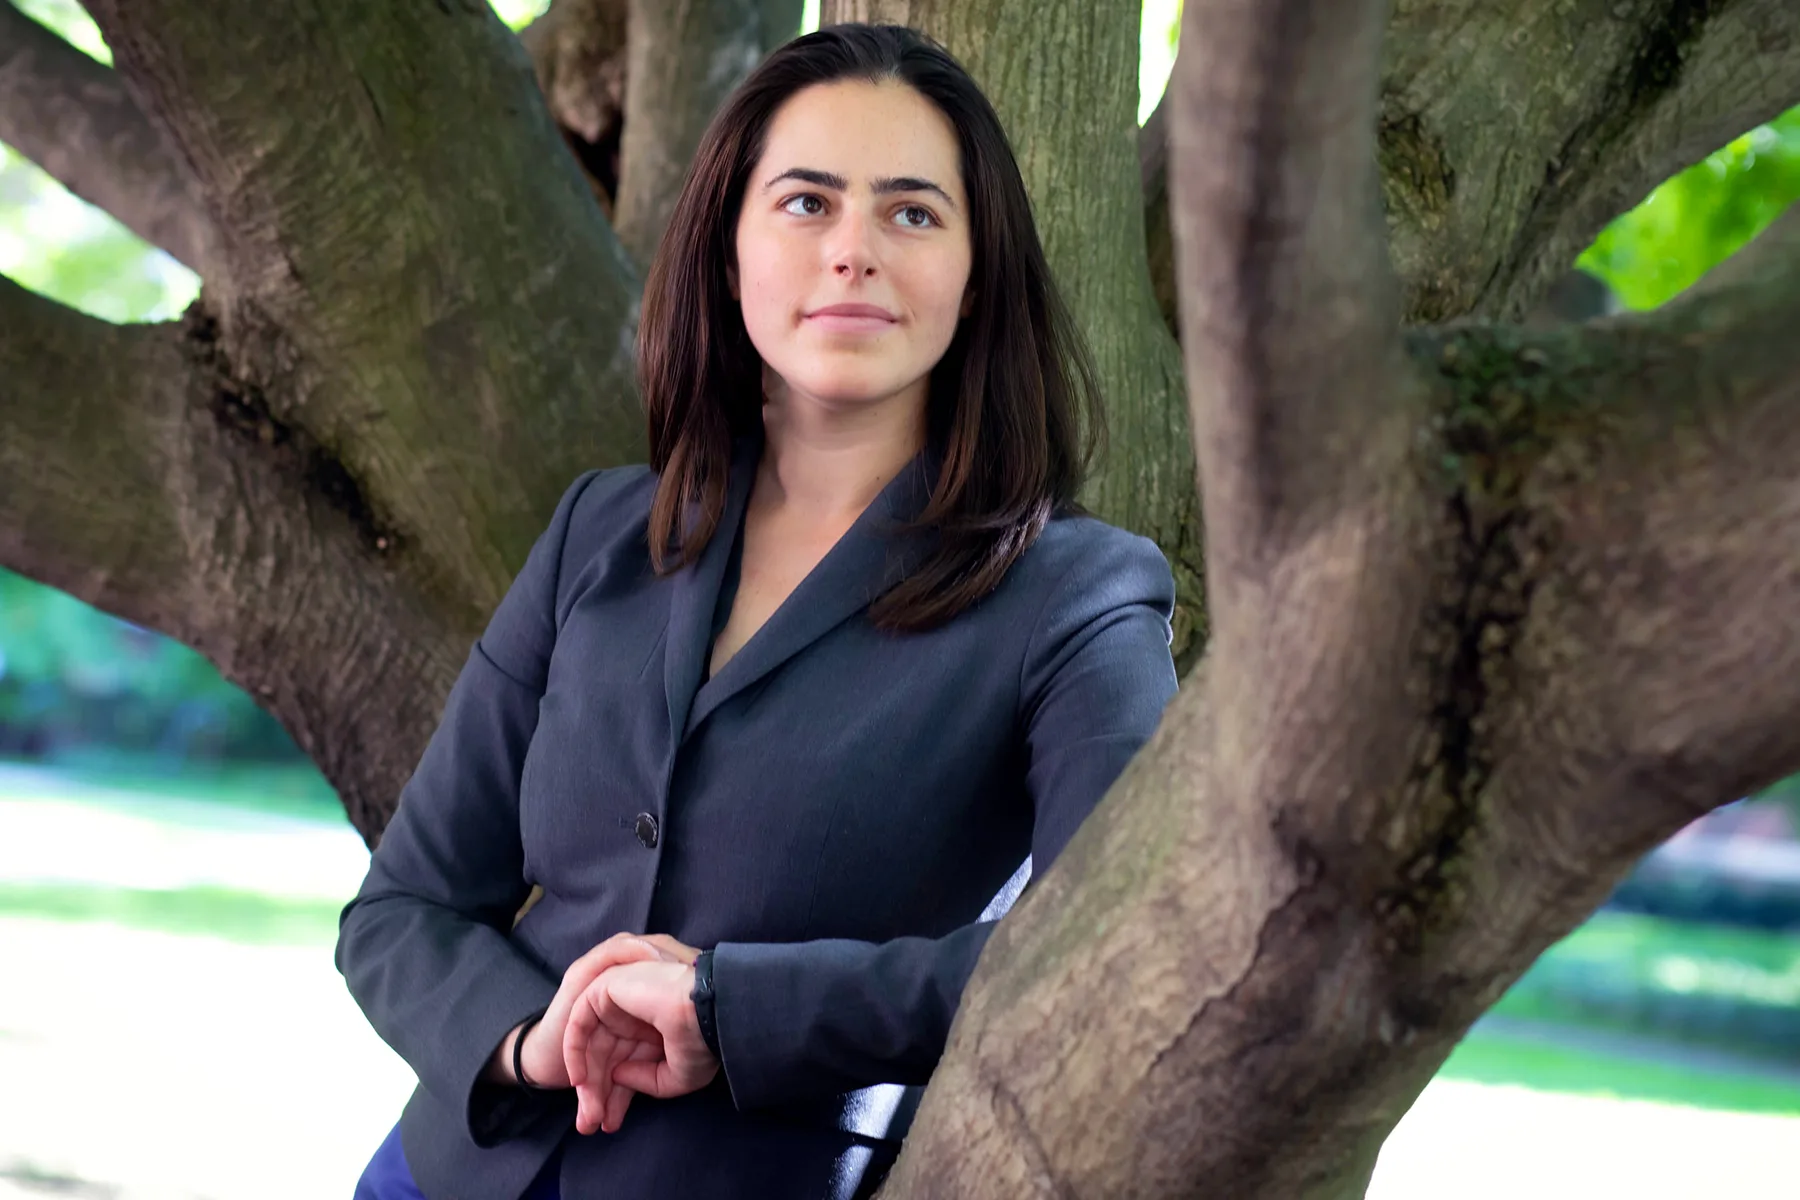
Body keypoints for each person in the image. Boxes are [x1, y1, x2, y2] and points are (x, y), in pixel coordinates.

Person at [338, 22, 1178, 1200]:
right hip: (442, 1173)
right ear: (729, 254)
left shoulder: (1079, 596)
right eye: (805, 203)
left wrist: (734, 1010)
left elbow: (1111, 949)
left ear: (979, 274)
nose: (853, 252)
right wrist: (535, 1038)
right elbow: (402, 908)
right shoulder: (598, 531)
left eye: (912, 213)